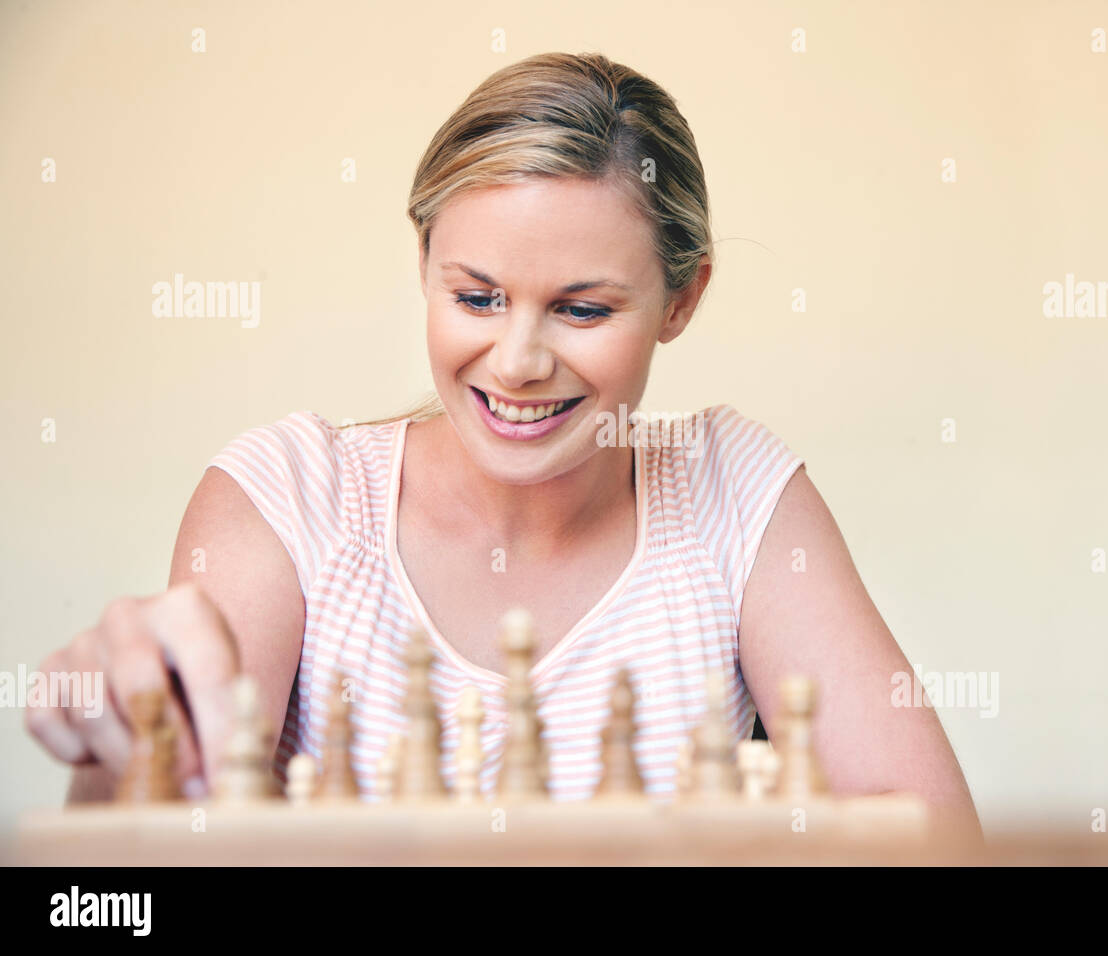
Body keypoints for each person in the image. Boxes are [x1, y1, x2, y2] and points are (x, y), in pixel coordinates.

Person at [26, 51, 980, 839]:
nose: (518, 360)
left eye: (581, 307)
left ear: (681, 300)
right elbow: (134, 883)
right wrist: (121, 744)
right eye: (476, 296)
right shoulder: (292, 497)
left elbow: (940, 853)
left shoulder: (735, 493)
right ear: (424, 268)